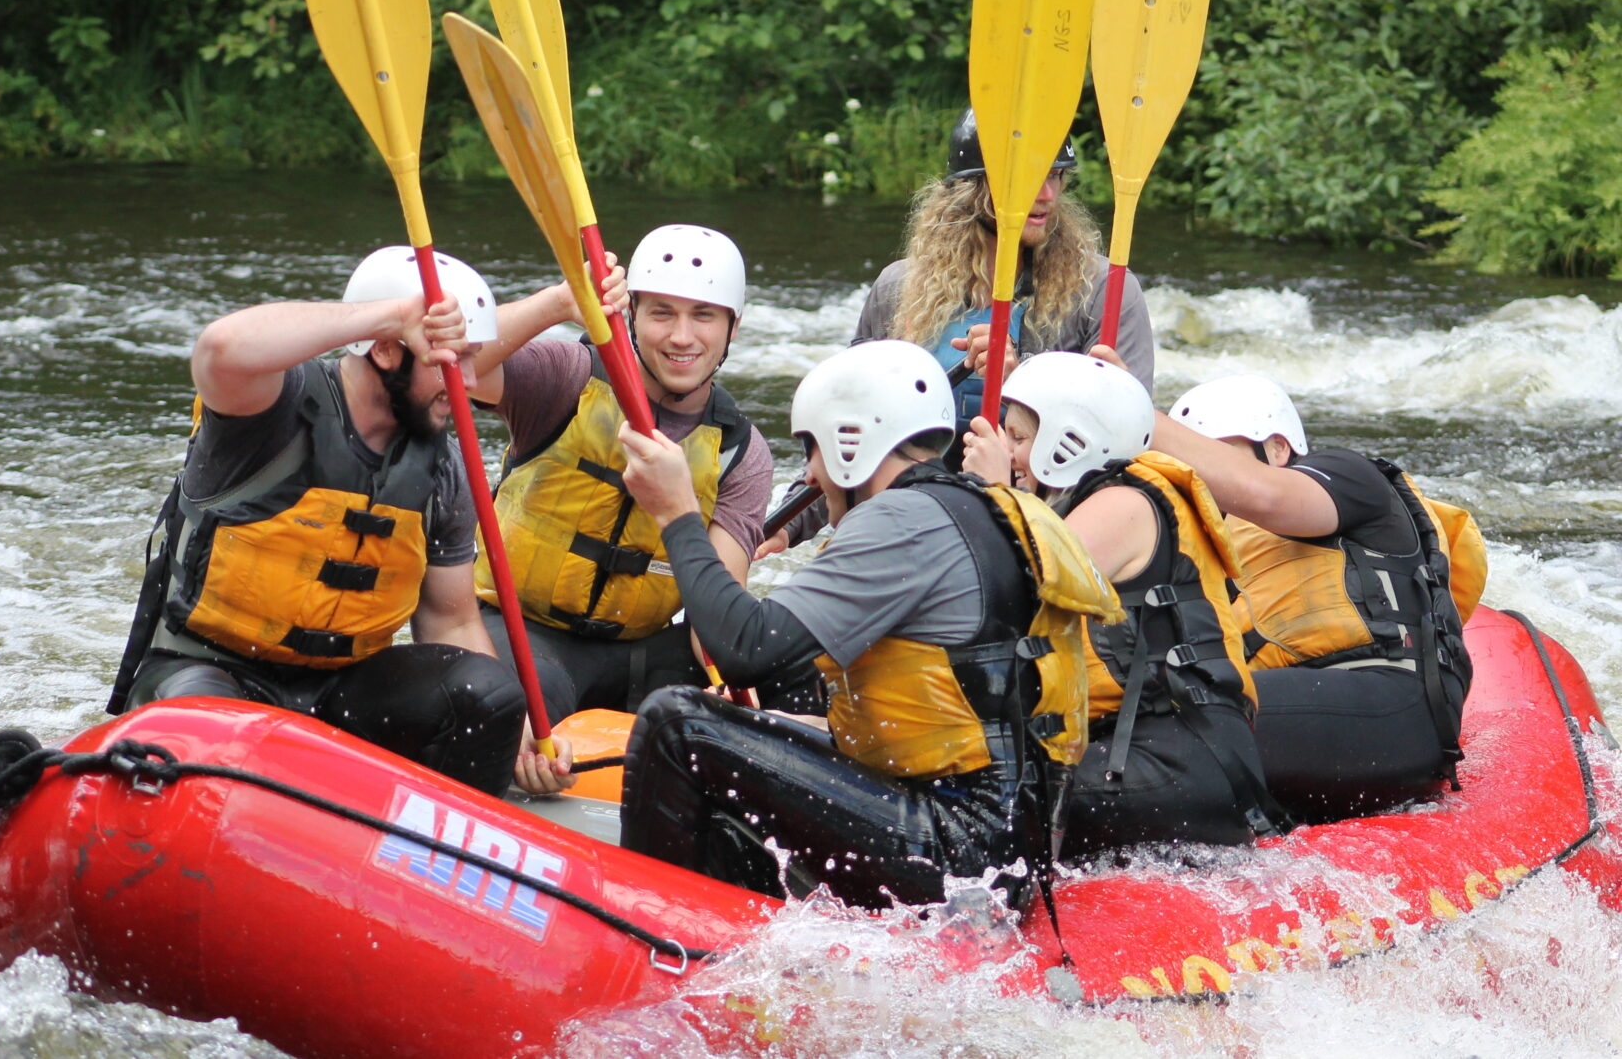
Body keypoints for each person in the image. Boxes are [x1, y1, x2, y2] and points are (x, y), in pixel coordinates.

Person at [610, 341, 1122, 910]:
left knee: (675, 724)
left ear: (849, 441)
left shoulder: (905, 519)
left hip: (960, 850)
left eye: (811, 448)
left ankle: (647, 920)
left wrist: (678, 513)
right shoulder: (970, 506)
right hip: (1005, 848)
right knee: (763, 728)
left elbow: (744, 647)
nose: (809, 472)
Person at [106, 246, 528, 795]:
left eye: (472, 359)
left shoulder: (443, 466)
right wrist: (395, 315)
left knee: (488, 696)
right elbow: (220, 348)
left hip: (340, 693)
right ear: (384, 349)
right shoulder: (271, 411)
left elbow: (451, 622)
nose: (468, 380)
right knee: (219, 740)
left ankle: (438, 838)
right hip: (210, 673)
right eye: (451, 360)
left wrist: (515, 735)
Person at [467, 226, 811, 787]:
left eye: (704, 315)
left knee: (785, 669)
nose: (682, 336)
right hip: (525, 633)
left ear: (733, 328)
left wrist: (736, 694)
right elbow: (454, 364)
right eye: (661, 313)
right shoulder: (569, 377)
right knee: (513, 704)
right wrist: (561, 302)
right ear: (630, 315)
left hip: (642, 653)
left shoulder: (739, 453)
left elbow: (716, 614)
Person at [762, 108, 1157, 553]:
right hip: (915, 519)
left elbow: (1125, 451)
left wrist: (1022, 381)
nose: (1047, 194)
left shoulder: (1104, 292)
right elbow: (847, 427)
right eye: (1028, 178)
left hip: (1039, 532)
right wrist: (789, 525)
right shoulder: (897, 289)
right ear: (971, 187)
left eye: (1055, 176)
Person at [961, 352, 1285, 856]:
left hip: (1178, 761)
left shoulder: (1125, 504)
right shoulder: (1088, 503)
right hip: (1141, 754)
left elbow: (1010, 590)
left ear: (1070, 441)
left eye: (1019, 438)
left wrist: (994, 490)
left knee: (969, 798)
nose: (1010, 451)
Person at [1149, 373, 1487, 822]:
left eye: (1212, 455)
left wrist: (1132, 414)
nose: (1197, 476)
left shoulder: (1350, 476)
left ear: (1277, 448)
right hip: (1281, 721)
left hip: (1389, 703)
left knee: (1157, 729)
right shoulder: (1189, 547)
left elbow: (1266, 495)